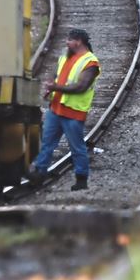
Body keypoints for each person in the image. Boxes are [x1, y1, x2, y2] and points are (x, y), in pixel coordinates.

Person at [27, 28, 101, 191]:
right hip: (56, 109)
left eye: (69, 40)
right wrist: (51, 88)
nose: (66, 42)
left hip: (73, 112)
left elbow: (81, 86)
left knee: (76, 147)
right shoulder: (65, 57)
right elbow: (57, 77)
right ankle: (39, 173)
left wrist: (56, 87)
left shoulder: (90, 62)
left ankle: (81, 179)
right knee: (47, 143)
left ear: (78, 42)